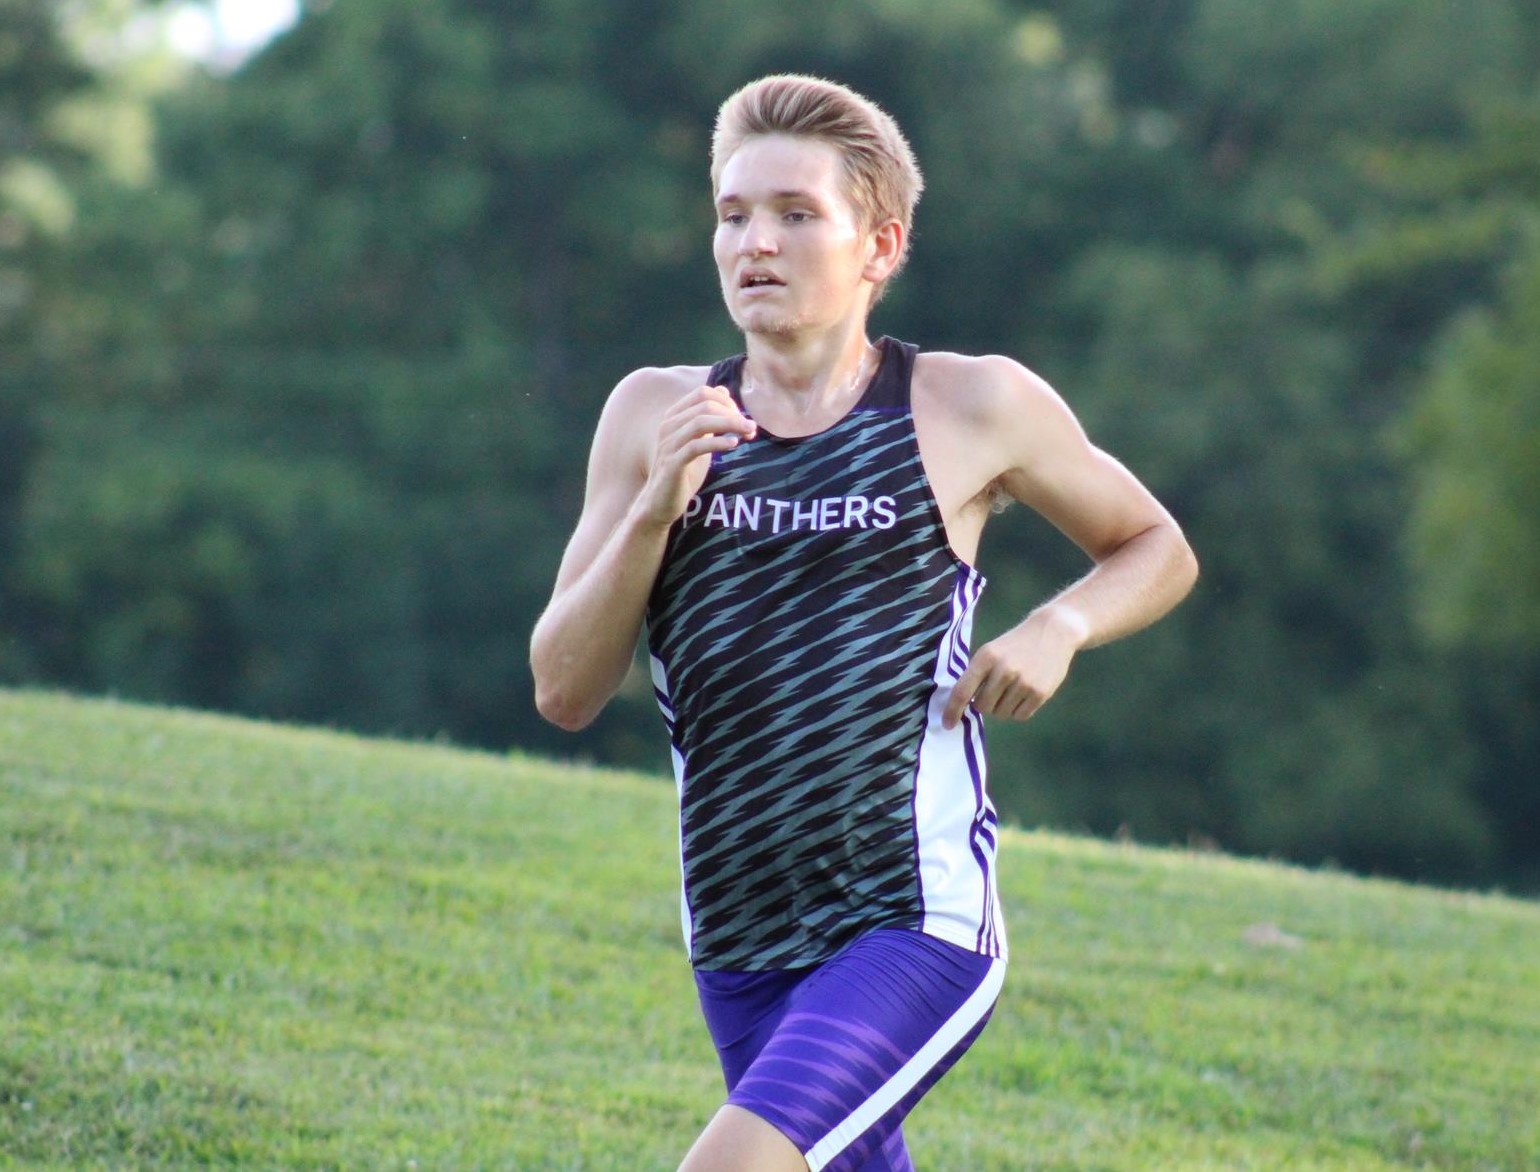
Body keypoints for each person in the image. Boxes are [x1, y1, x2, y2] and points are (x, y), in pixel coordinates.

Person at [530, 74, 1198, 1172]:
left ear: (879, 247)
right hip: (738, 938)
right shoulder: (653, 413)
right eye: (733, 214)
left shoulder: (967, 404)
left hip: (911, 922)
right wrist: (653, 509)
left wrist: (1060, 627)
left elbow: (1155, 544)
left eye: (796, 214)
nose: (755, 242)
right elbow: (562, 688)